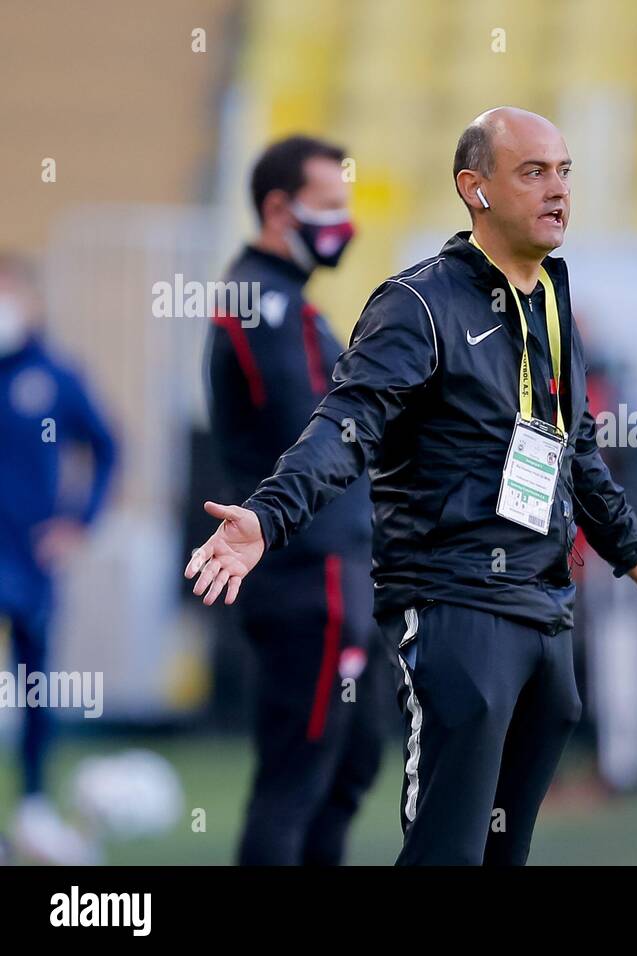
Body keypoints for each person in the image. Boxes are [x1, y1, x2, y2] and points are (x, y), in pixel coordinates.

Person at [185, 108, 637, 865]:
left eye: (564, 173)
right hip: (456, 611)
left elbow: (575, 446)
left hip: (544, 612)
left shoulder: (552, 301)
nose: (557, 191)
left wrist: (630, 550)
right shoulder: (417, 304)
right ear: (475, 188)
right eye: (533, 172)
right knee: (443, 854)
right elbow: (347, 423)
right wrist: (268, 514)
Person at [205, 135, 386, 865]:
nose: (344, 223)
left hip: (339, 572)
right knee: (298, 778)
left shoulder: (290, 306)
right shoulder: (259, 306)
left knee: (351, 764)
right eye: (330, 206)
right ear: (279, 208)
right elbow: (313, 439)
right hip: (306, 578)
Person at [0, 253, 116, 864]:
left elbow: (106, 444)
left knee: (35, 684)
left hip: (29, 563)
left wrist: (79, 522)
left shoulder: (53, 376)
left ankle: (35, 808)